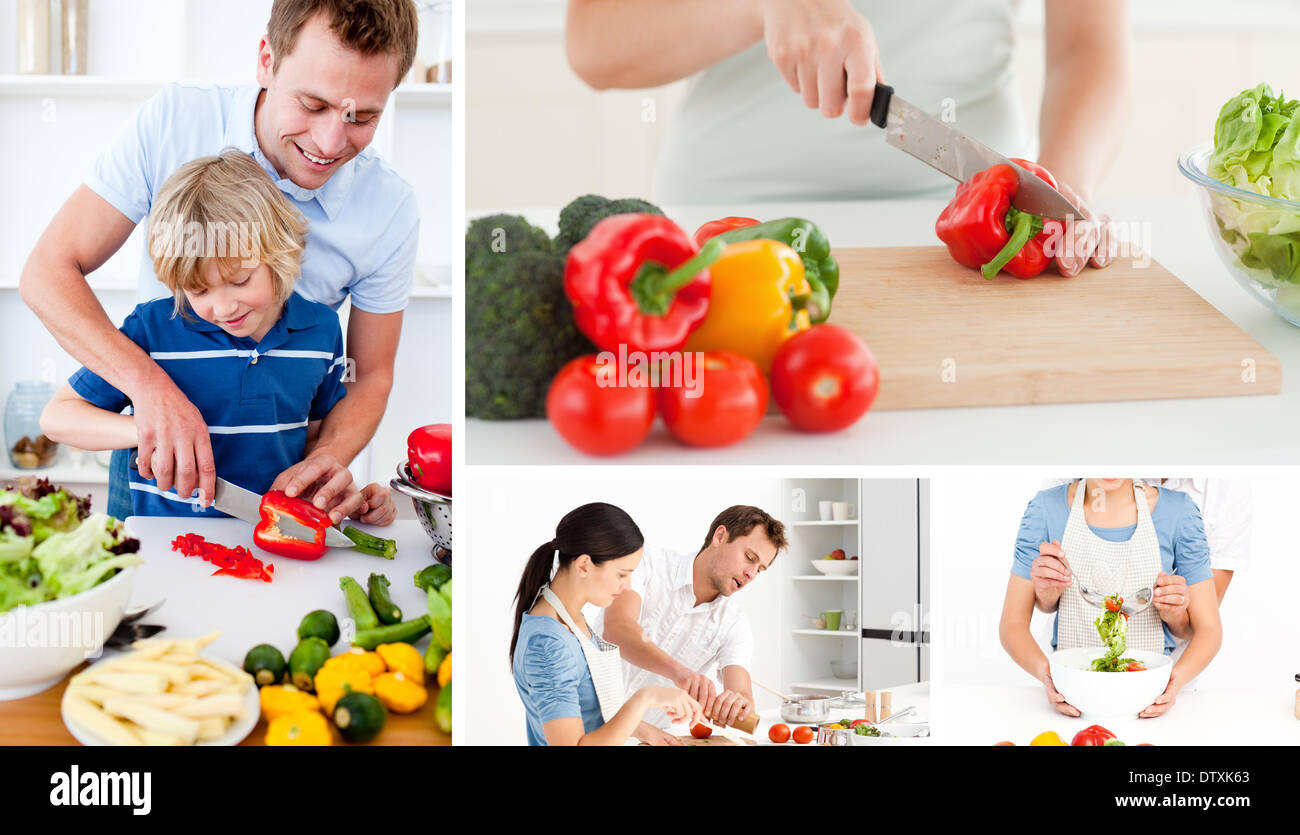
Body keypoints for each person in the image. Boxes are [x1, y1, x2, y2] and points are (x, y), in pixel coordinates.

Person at [20, 0, 421, 523]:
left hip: (277, 486)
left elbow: (367, 378)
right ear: (267, 61)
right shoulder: (176, 120)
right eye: (311, 104)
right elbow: (47, 273)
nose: (329, 142)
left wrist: (322, 469)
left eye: (362, 116)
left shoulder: (389, 209)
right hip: (157, 471)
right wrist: (151, 396)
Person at [565, 0, 1127, 275]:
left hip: (984, 240)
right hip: (729, 223)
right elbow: (596, 44)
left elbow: (1089, 47)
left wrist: (1060, 191)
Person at [39, 151, 395, 524]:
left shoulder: (320, 331)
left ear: (278, 251)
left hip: (269, 546)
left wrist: (337, 493)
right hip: (166, 546)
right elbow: (58, 418)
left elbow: (315, 444)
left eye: (240, 281)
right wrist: (148, 428)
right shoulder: (153, 328)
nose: (223, 308)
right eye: (198, 290)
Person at [1000, 479, 1222, 718]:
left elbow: (1209, 629)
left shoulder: (1179, 512)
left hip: (1150, 697)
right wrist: (1047, 675)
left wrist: (1173, 682)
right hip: (1073, 699)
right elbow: (1012, 625)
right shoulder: (1046, 509)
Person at [511, 503, 705, 746]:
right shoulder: (548, 644)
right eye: (622, 574)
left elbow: (591, 711)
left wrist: (645, 731)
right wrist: (646, 697)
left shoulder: (571, 619)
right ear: (583, 565)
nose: (627, 586)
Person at [597, 505, 787, 730]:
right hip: (581, 725)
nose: (751, 574)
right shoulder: (647, 563)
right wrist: (680, 674)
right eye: (749, 557)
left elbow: (742, 696)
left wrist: (739, 705)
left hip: (649, 740)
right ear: (720, 536)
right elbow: (617, 628)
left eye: (760, 569)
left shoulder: (734, 624)